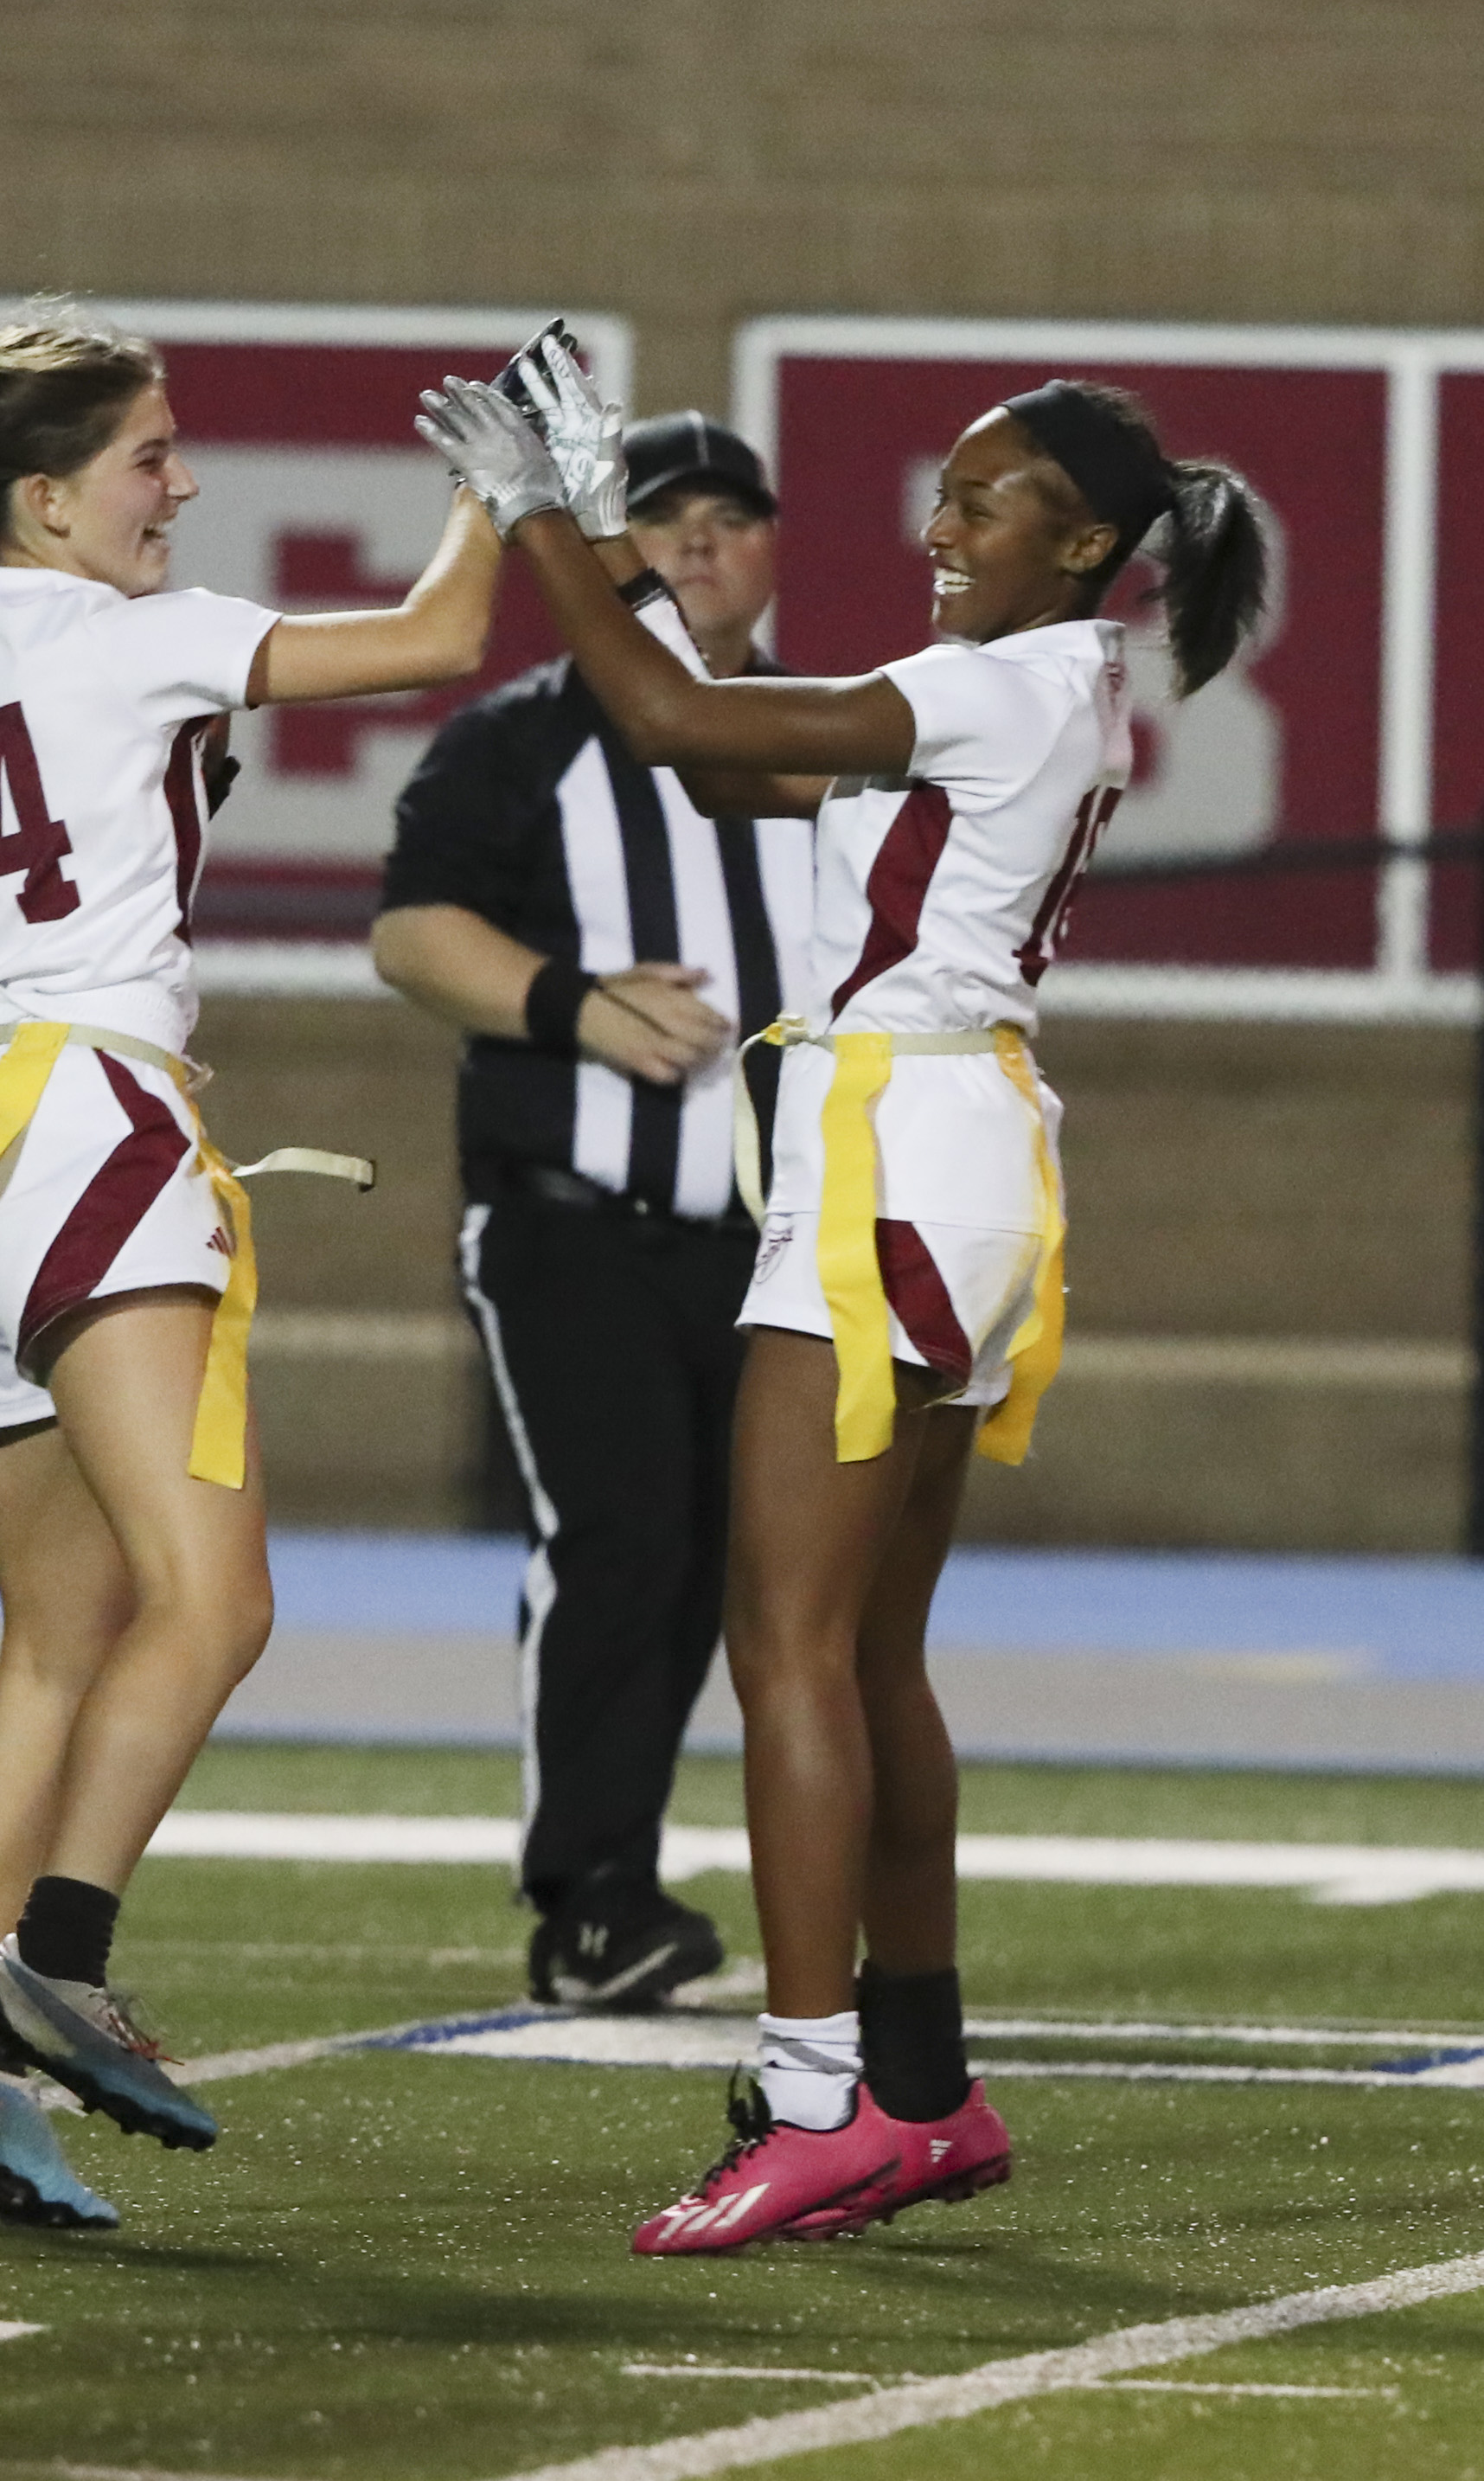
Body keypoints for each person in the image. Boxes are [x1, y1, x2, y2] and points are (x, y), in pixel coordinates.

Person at [419, 342, 1266, 2251]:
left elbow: (667, 718)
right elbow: (727, 740)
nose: (939, 531)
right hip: (960, 1150)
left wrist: (550, 515)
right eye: (944, 497)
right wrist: (614, 561)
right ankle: (927, 2077)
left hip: (892, 1148)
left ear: (1089, 543)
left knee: (783, 1639)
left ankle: (813, 2095)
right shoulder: (1058, 674)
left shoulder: (992, 680)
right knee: (870, 1651)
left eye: (982, 505)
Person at [0, 293, 501, 2229]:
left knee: (52, 1636)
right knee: (214, 1604)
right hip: (89, 1126)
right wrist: (501, 498)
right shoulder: (141, 638)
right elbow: (445, 638)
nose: (181, 481)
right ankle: (54, 1958)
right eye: (149, 454)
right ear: (46, 500)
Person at [372, 414, 813, 2010]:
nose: (697, 545)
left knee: (767, 1576)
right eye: (663, 518)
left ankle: (811, 1889)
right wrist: (572, 1003)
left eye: (730, 518)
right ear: (607, 548)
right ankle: (595, 1897)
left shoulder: (830, 731)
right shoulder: (518, 741)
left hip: (783, 1236)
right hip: (578, 1214)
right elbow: (414, 932)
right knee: (627, 1537)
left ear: (775, 545)